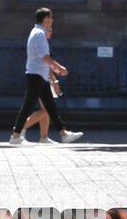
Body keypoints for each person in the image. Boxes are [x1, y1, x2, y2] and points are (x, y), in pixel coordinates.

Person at [9, 8, 83, 145]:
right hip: (36, 75)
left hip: (39, 76)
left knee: (50, 107)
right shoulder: (39, 34)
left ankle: (63, 134)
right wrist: (59, 68)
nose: (52, 21)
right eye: (51, 18)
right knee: (28, 106)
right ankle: (15, 135)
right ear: (46, 19)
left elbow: (43, 58)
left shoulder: (37, 33)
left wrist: (53, 76)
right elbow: (45, 57)